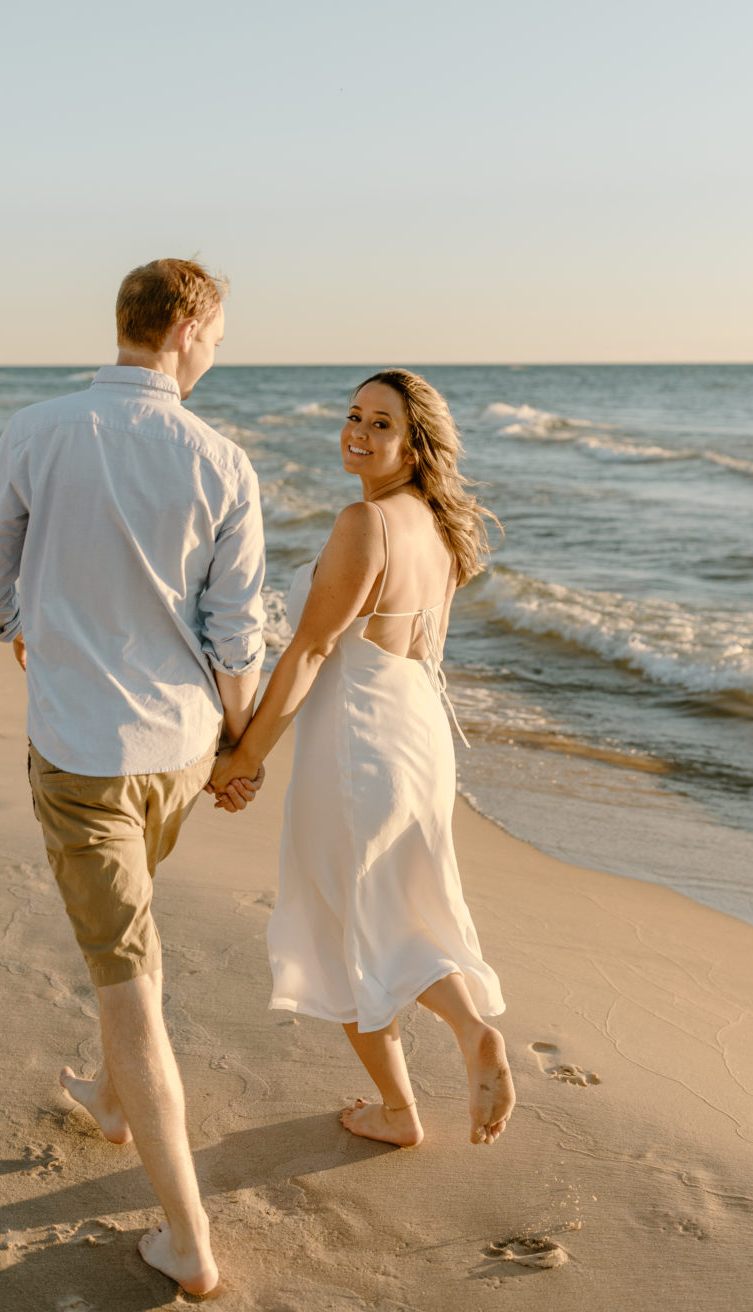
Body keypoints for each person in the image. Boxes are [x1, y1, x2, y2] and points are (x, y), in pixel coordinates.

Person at [0, 258, 265, 1298]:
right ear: (184, 326)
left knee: (127, 975)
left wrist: (9, 627)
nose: (218, 351)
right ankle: (110, 1097)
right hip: (177, 754)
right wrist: (237, 744)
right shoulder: (221, 458)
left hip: (83, 754)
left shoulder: (38, 431)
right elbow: (236, 630)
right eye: (217, 332)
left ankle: (188, 1239)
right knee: (124, 936)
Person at [211, 368, 515, 1149]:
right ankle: (452, 1047)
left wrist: (243, 756)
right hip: (416, 736)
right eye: (353, 415)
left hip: (356, 744)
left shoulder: (364, 523)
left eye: (381, 423)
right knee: (400, 905)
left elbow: (311, 651)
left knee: (342, 923)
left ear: (415, 443)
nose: (358, 431)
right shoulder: (439, 527)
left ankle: (408, 1102)